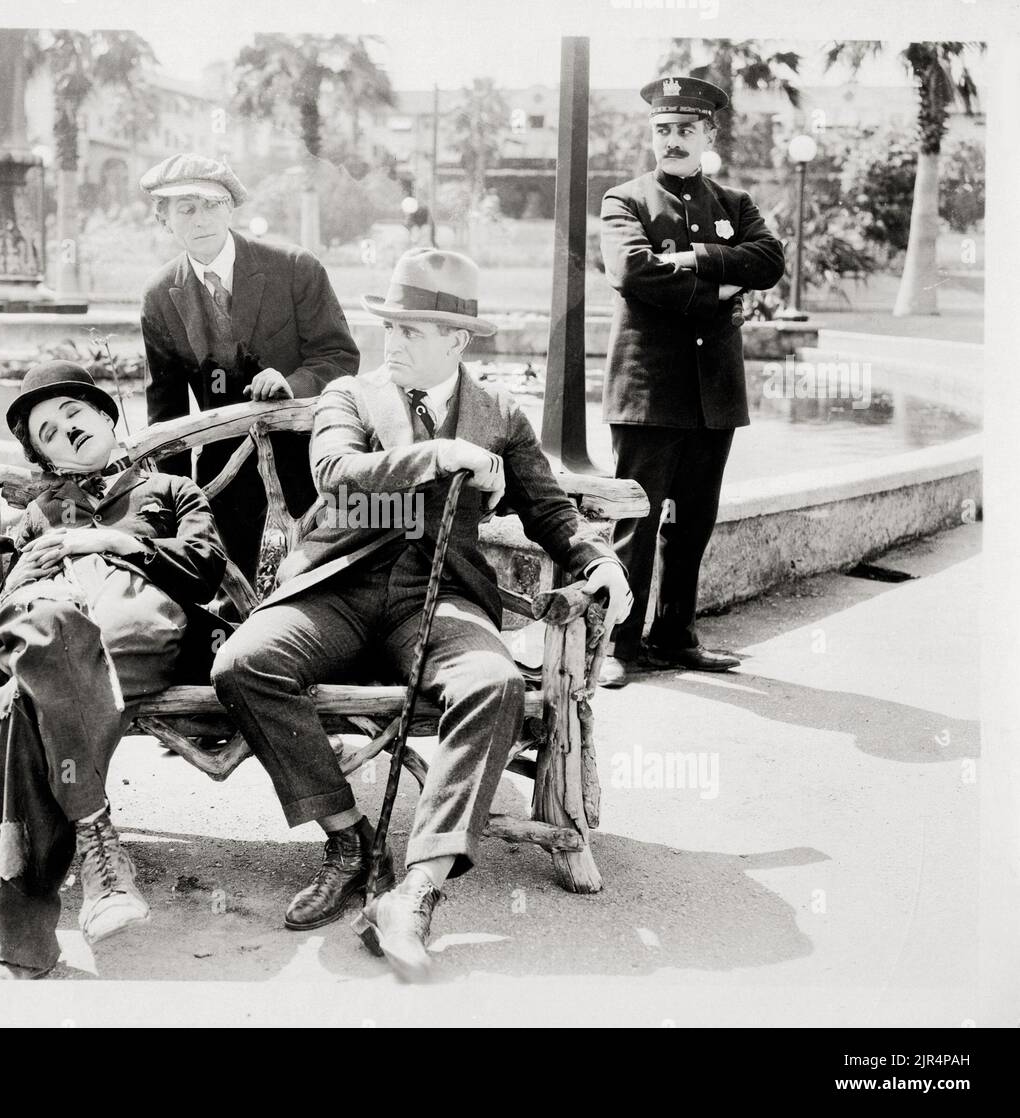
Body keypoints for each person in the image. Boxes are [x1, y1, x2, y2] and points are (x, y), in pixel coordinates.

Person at [211, 249, 632, 982]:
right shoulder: (349, 395)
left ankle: (416, 890)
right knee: (244, 664)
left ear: (457, 341)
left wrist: (599, 561)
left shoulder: (500, 413)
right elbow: (334, 480)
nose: (393, 341)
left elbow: (548, 509)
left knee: (494, 683)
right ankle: (346, 837)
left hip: (435, 602)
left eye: (411, 329)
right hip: (336, 589)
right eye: (390, 326)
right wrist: (438, 456)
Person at [0, 360, 228, 979]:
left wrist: (104, 543)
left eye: (74, 414)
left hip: (136, 627)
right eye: (49, 433)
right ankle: (100, 850)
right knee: (47, 641)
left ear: (107, 416)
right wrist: (16, 578)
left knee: (36, 695)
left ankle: (16, 946)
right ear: (48, 463)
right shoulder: (38, 518)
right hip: (53, 634)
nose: (68, 431)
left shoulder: (170, 492)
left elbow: (205, 567)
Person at [598, 76, 785, 689]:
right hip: (650, 389)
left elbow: (770, 261)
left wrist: (693, 259)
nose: (673, 141)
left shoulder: (734, 203)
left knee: (693, 521)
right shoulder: (624, 200)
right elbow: (633, 272)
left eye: (685, 130)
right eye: (663, 130)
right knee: (635, 523)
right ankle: (617, 645)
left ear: (708, 135)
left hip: (714, 393)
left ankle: (675, 635)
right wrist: (723, 287)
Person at [139, 153, 359, 581]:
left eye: (212, 205)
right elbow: (166, 410)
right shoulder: (160, 295)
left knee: (326, 574)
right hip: (225, 461)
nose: (201, 219)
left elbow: (339, 356)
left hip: (309, 449)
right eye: (185, 208)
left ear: (231, 208)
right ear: (164, 220)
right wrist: (175, 499)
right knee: (219, 583)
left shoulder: (296, 268)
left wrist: (291, 382)